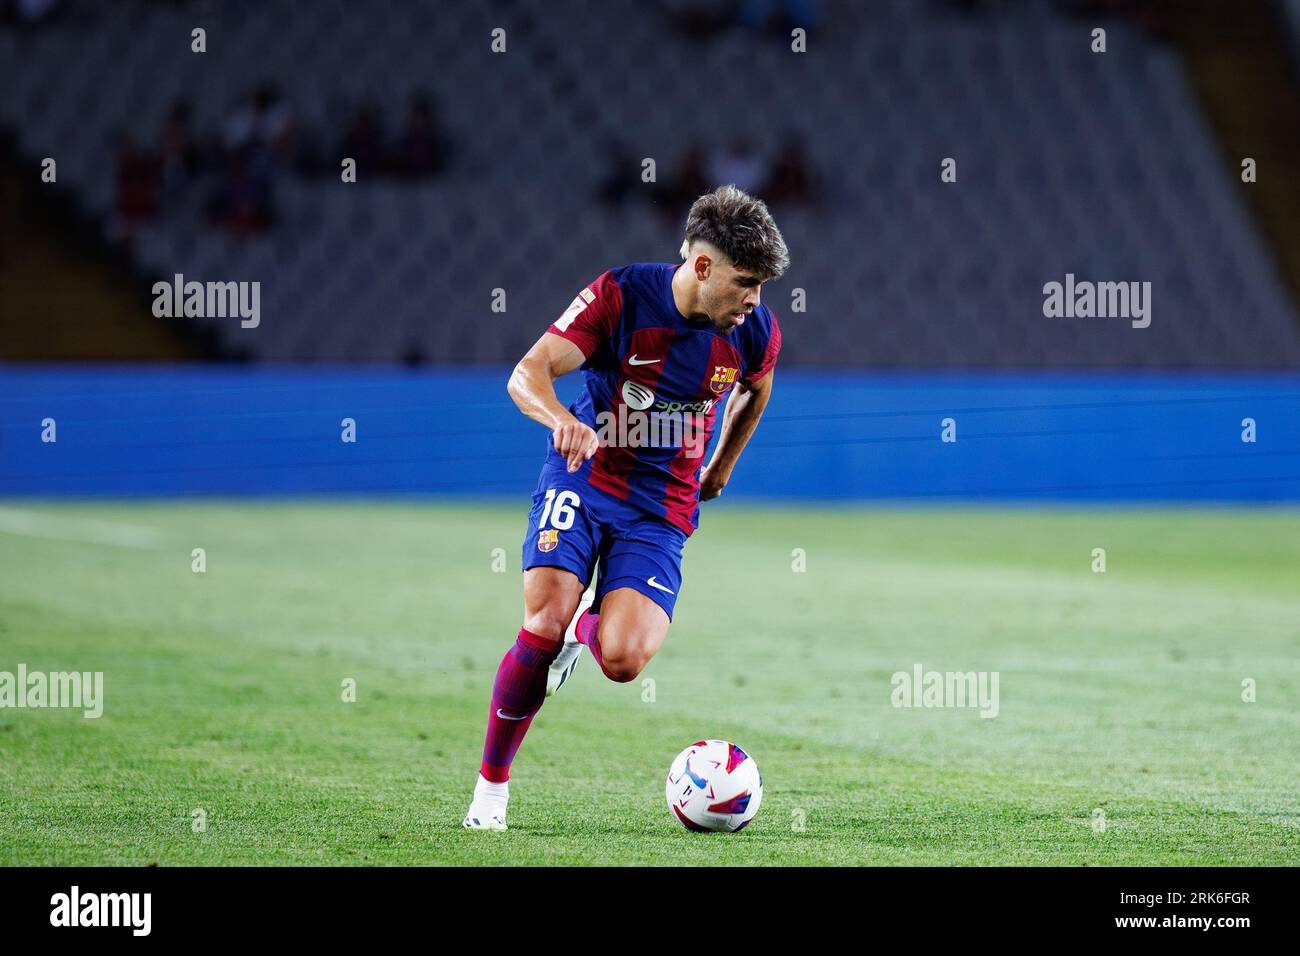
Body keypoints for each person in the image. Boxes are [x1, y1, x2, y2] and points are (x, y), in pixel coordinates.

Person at [464, 185, 789, 830]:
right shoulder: (620, 297)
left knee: (623, 660)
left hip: (661, 507)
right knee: (540, 621)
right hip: (584, 479)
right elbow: (527, 372)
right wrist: (561, 420)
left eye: (762, 287)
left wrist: (721, 465)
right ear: (701, 266)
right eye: (746, 282)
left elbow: (757, 391)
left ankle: (585, 631)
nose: (755, 300)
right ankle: (490, 795)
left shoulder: (753, 332)